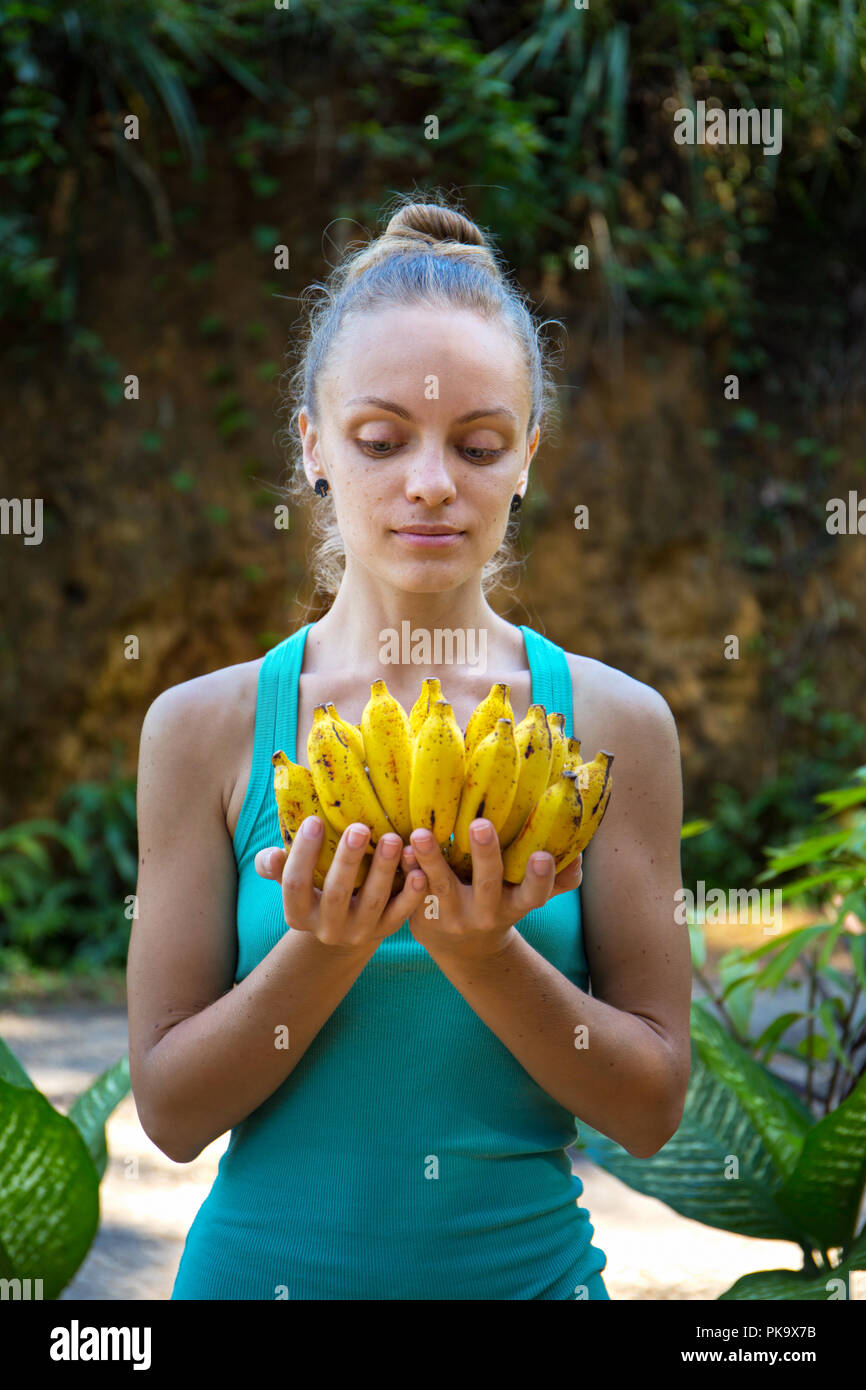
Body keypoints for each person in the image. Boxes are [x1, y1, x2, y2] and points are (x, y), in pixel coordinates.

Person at [127, 194, 692, 1300]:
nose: (431, 481)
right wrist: (330, 947)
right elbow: (173, 1113)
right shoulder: (205, 730)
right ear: (314, 446)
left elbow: (649, 1107)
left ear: (527, 455)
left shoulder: (614, 727)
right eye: (381, 439)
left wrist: (481, 951)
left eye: (478, 443)